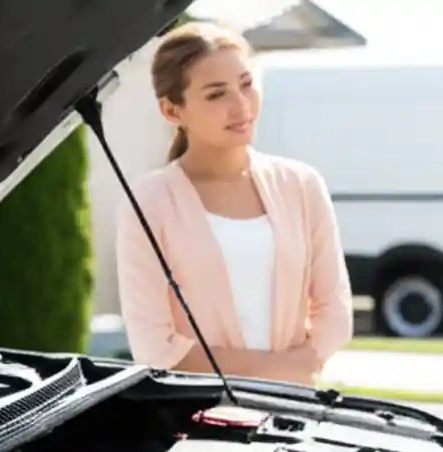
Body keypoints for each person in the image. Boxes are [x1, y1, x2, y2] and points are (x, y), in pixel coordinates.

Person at [116, 21, 353, 386]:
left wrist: (296, 371)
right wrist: (284, 371)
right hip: (195, 420)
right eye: (216, 94)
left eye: (246, 85)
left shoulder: (302, 185)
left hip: (292, 414)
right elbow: (154, 347)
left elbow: (334, 316)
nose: (241, 106)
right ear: (172, 111)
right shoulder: (149, 202)